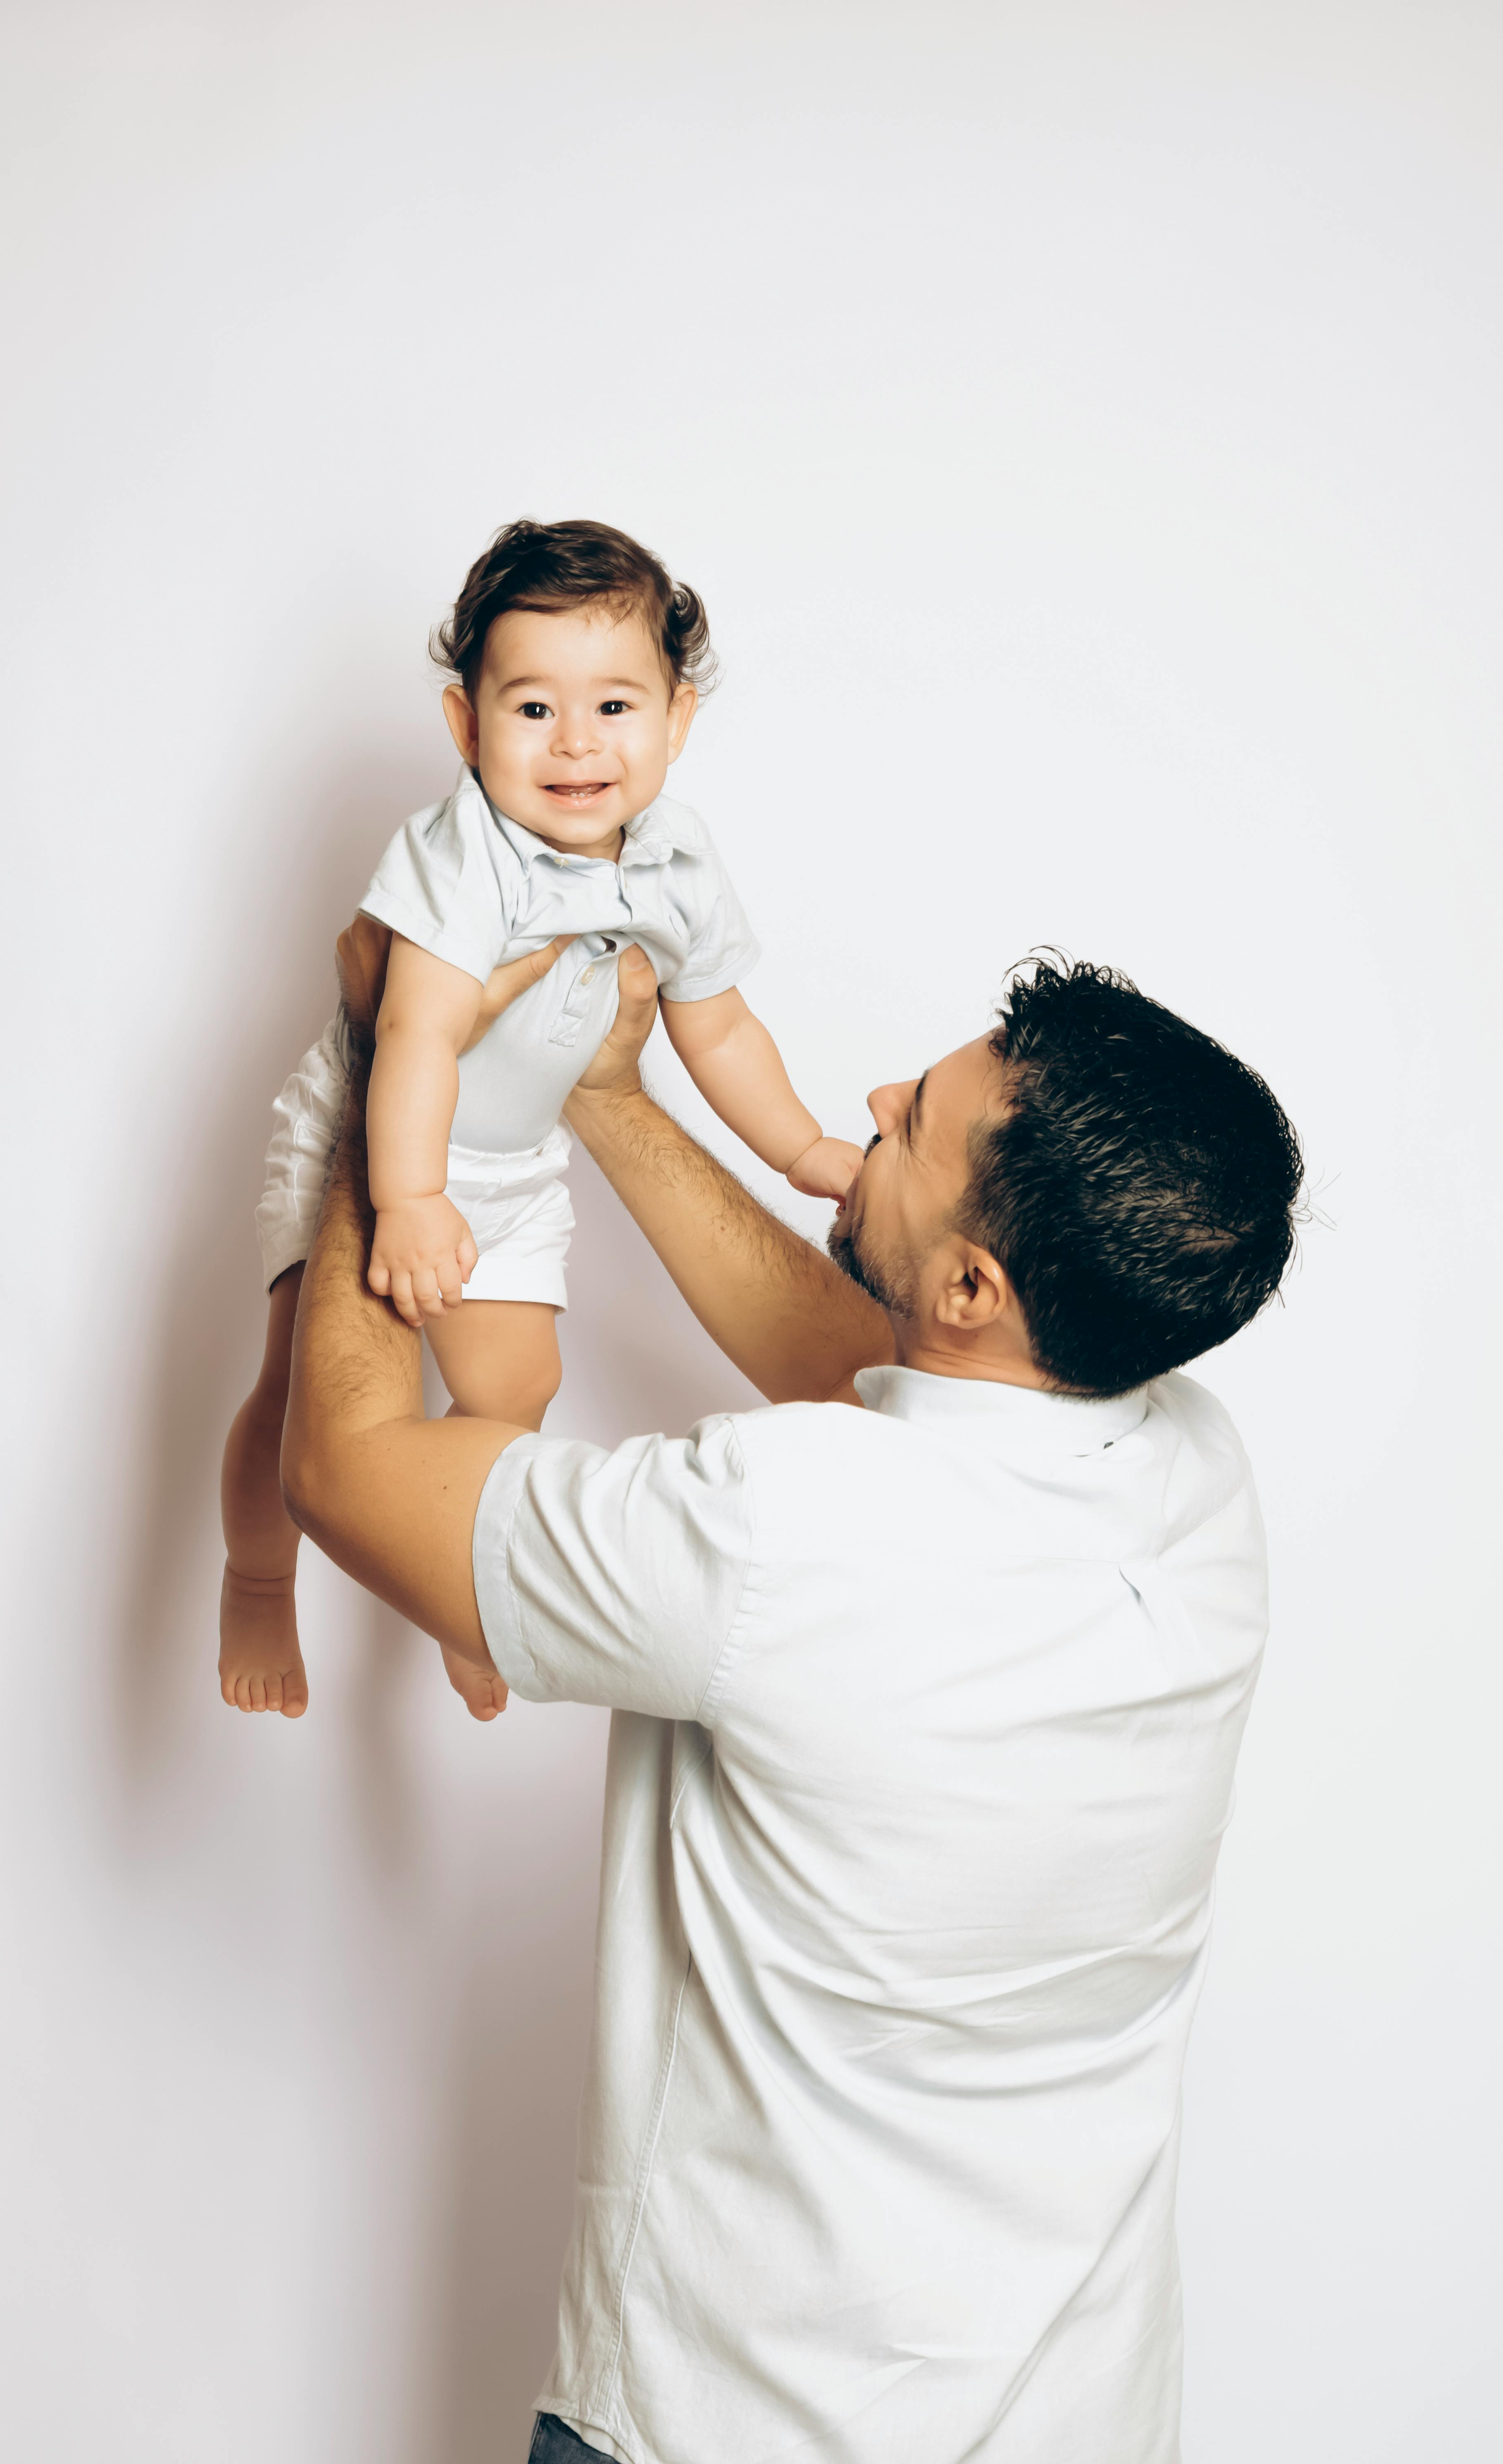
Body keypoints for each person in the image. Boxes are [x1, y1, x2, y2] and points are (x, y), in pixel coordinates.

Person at [278, 935, 1303, 2464]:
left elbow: (345, 1471)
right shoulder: (1195, 1470)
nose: (875, 1097)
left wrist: (398, 1074)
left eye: (907, 1130)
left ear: (973, 1279)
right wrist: (612, 1096)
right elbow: (887, 1376)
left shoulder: (781, 1529)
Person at [218, 519, 861, 1723]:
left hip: (511, 1160)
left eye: (616, 707)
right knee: (297, 1393)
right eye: (531, 710)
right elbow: (410, 1034)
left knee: (520, 1383)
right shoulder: (467, 855)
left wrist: (805, 1149)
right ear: (467, 727)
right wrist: (406, 1201)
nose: (576, 744)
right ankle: (257, 1574)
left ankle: (461, 1577)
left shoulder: (673, 860)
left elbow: (715, 1027)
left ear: (679, 721)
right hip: (376, 1140)